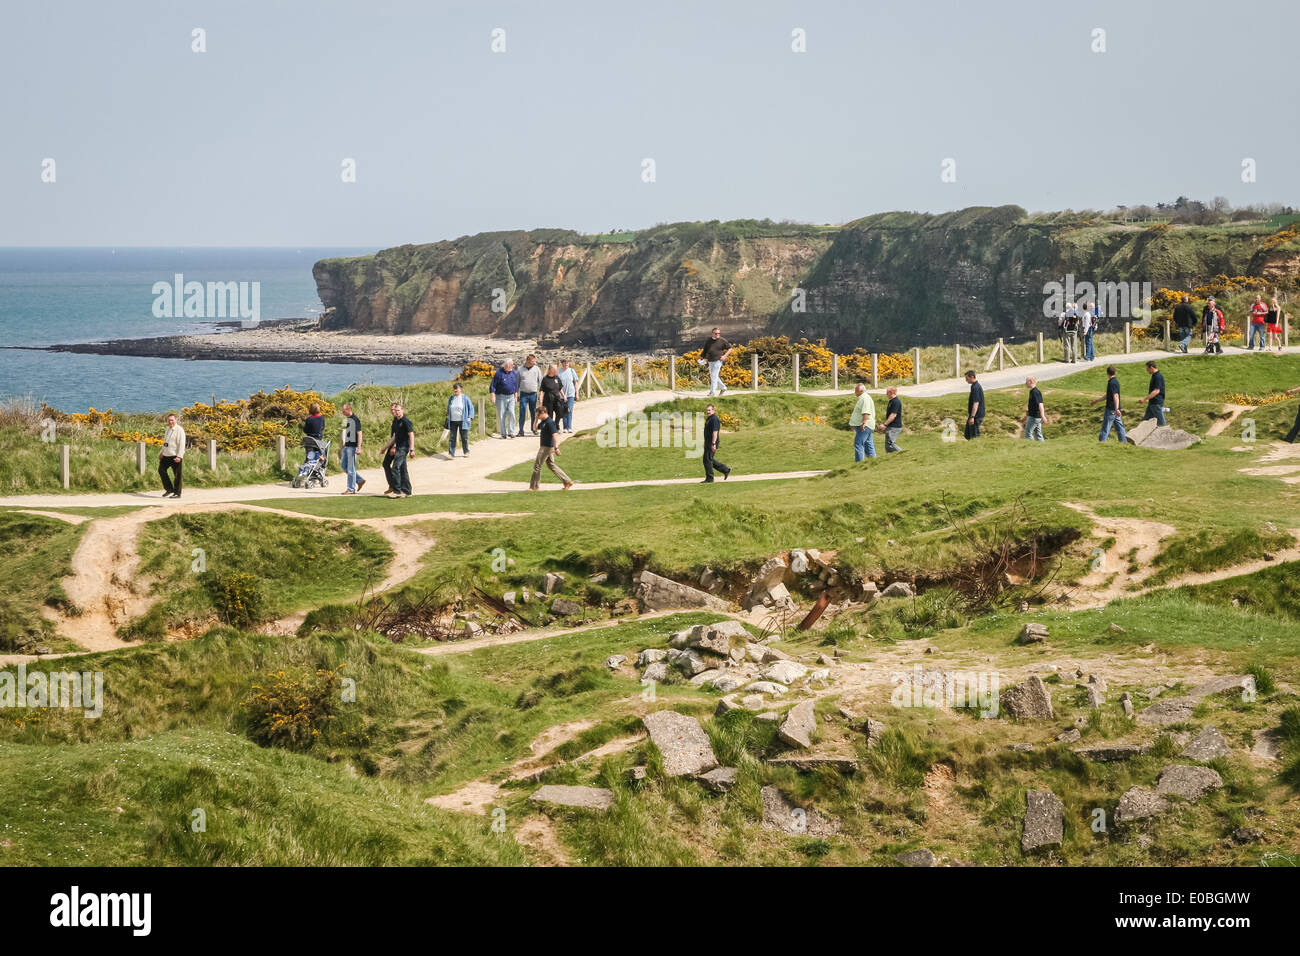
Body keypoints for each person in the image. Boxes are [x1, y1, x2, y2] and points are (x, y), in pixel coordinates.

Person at [528, 405, 573, 490]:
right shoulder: (543, 422)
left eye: (538, 415)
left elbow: (555, 436)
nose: (538, 416)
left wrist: (556, 448)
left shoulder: (550, 422)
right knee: (551, 465)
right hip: (545, 446)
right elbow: (534, 429)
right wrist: (536, 419)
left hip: (547, 447)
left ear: (544, 412)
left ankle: (533, 487)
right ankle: (567, 481)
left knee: (537, 466)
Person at [382, 402, 415, 497]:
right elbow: (394, 437)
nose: (396, 412)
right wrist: (385, 448)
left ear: (402, 410)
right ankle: (407, 491)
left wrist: (412, 449)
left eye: (398, 410)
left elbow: (411, 434)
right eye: (395, 410)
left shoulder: (405, 421)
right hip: (399, 447)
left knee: (395, 467)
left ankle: (397, 491)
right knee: (403, 469)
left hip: (403, 448)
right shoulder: (396, 421)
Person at [1092, 365, 1127, 443]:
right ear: (1115, 372)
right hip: (1115, 410)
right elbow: (1108, 396)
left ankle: (1101, 443)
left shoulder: (1112, 383)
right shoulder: (1115, 382)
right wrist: (1096, 401)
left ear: (1107, 373)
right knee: (1119, 427)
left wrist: (1116, 408)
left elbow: (1116, 396)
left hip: (1111, 410)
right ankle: (1124, 442)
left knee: (1105, 427)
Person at [489, 359, 519, 439]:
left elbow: (515, 385)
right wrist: (493, 395)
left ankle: (511, 432)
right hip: (501, 397)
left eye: (513, 365)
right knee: (502, 415)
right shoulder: (499, 373)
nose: (513, 366)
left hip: (511, 396)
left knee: (512, 413)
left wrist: (516, 396)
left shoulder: (513, 373)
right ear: (506, 365)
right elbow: (493, 385)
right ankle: (503, 434)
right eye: (511, 365)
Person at [158, 412, 186, 498]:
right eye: (169, 420)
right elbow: (165, 442)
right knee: (161, 470)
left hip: (175, 456)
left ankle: (177, 493)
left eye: (172, 420)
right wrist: (161, 453)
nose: (171, 422)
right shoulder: (167, 429)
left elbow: (182, 444)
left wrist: (180, 456)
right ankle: (169, 489)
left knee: (177, 475)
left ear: (176, 420)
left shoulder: (180, 430)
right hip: (166, 455)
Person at [340, 402, 365, 494]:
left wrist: (359, 447)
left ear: (349, 410)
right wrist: (343, 444)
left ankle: (351, 489)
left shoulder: (355, 420)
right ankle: (359, 480)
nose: (342, 412)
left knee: (351, 468)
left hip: (353, 447)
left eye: (343, 411)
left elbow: (359, 433)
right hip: (347, 446)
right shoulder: (348, 420)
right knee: (343, 465)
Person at [702, 403, 731, 482]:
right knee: (708, 459)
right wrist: (705, 442)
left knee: (707, 459)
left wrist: (713, 443)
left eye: (709, 410)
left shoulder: (714, 419)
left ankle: (710, 478)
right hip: (708, 442)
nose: (708, 412)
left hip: (712, 442)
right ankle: (725, 470)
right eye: (707, 410)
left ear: (713, 410)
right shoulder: (709, 418)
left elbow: (715, 432)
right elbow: (707, 432)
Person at [445, 383, 475, 458]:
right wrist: (447, 411)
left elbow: (471, 408)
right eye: (454, 389)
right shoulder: (451, 398)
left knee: (464, 437)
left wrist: (470, 417)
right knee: (452, 438)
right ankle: (451, 454)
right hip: (452, 421)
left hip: (463, 421)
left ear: (460, 389)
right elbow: (449, 406)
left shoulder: (465, 398)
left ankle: (466, 452)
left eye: (457, 389)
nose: (455, 390)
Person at [516, 353, 543, 435]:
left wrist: (540, 394)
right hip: (523, 394)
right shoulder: (520, 369)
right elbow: (517, 382)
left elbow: (540, 382)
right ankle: (521, 430)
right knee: (522, 412)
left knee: (534, 413)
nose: (534, 362)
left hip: (533, 394)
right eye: (533, 361)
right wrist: (516, 394)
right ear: (528, 360)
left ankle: (533, 428)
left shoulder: (537, 369)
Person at [702, 327, 732, 397]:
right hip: (710, 361)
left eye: (719, 333)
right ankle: (723, 388)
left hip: (718, 361)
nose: (718, 334)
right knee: (714, 376)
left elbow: (730, 349)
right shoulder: (708, 340)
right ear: (712, 333)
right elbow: (705, 350)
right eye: (716, 333)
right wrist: (701, 357)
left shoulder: (722, 340)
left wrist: (724, 356)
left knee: (714, 376)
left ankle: (712, 392)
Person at [850, 382, 876, 460]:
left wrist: (864, 422)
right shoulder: (863, 398)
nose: (855, 392)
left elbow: (866, 412)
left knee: (858, 444)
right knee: (868, 445)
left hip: (865, 425)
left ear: (861, 391)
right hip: (866, 425)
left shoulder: (865, 398)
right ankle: (873, 462)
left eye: (856, 390)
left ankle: (859, 463)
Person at [1138, 360, 1166, 425]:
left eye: (1147, 368)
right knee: (1145, 421)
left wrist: (1144, 399)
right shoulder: (1154, 376)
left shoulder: (1158, 376)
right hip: (1152, 403)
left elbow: (1156, 391)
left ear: (1151, 367)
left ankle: (1167, 433)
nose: (1147, 370)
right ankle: (1142, 434)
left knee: (1161, 423)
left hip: (1156, 403)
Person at [878, 386, 903, 452]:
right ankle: (890, 458)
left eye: (887, 392)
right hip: (891, 426)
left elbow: (893, 415)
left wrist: (885, 424)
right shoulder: (891, 401)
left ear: (891, 392)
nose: (886, 394)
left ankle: (902, 453)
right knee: (888, 446)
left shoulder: (896, 402)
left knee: (890, 444)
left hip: (894, 426)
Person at [558, 358, 579, 431]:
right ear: (562, 364)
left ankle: (569, 427)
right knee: (563, 410)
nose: (566, 364)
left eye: (567, 363)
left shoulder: (572, 371)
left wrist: (577, 393)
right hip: (562, 394)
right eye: (564, 363)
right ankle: (564, 427)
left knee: (569, 410)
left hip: (571, 393)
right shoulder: (559, 372)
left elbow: (576, 382)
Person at [1023, 376, 1045, 441]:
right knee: (1038, 434)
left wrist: (1043, 416)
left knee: (1028, 433)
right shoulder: (1032, 391)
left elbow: (1040, 404)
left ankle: (1030, 447)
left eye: (1026, 381)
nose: (1025, 383)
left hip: (1034, 417)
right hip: (1035, 416)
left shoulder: (1036, 392)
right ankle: (1042, 447)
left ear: (1030, 382)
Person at [964, 371, 984, 439]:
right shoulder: (974, 386)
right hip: (973, 415)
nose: (966, 380)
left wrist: (972, 417)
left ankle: (976, 448)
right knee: (967, 434)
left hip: (976, 416)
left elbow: (976, 403)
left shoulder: (976, 387)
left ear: (972, 377)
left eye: (967, 378)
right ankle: (971, 447)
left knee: (974, 436)